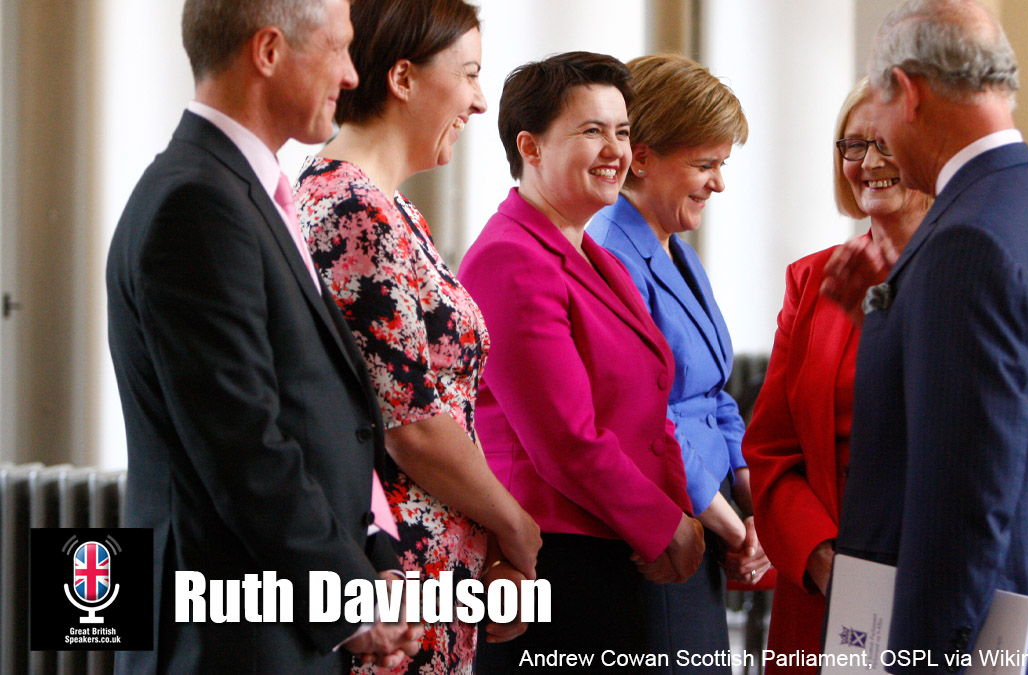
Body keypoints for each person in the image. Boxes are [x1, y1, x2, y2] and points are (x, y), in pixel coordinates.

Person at [106, 1, 423, 673]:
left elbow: (322, 413)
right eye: (338, 49)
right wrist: (352, 601)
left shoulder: (244, 190)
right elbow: (244, 441)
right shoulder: (195, 204)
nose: (349, 73)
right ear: (269, 52)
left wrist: (377, 560)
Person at [827, 0, 1028, 670]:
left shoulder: (966, 241)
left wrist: (920, 659)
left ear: (906, 91)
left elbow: (962, 504)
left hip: (969, 638)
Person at [293, 1, 541, 672]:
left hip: (431, 565)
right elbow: (413, 423)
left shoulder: (387, 205)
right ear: (403, 78)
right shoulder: (353, 210)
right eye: (468, 74)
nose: (481, 101)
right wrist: (517, 525)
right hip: (396, 572)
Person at [457, 52, 704, 672]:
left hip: (614, 546)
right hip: (551, 562)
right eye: (592, 131)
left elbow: (649, 407)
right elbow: (565, 439)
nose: (615, 150)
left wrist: (676, 513)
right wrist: (665, 526)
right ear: (531, 147)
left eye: (622, 132)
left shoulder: (600, 257)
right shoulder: (509, 257)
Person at [740, 76, 928, 674]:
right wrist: (819, 553)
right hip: (822, 583)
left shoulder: (960, 275)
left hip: (926, 566)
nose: (869, 163)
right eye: (853, 146)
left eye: (885, 145)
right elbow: (770, 446)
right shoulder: (812, 279)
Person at [587, 53, 767, 671]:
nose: (718, 183)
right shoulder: (610, 251)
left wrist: (753, 502)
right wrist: (732, 527)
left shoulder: (678, 251)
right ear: (641, 157)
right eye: (705, 164)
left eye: (722, 164)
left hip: (710, 514)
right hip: (661, 527)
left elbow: (715, 393)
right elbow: (642, 417)